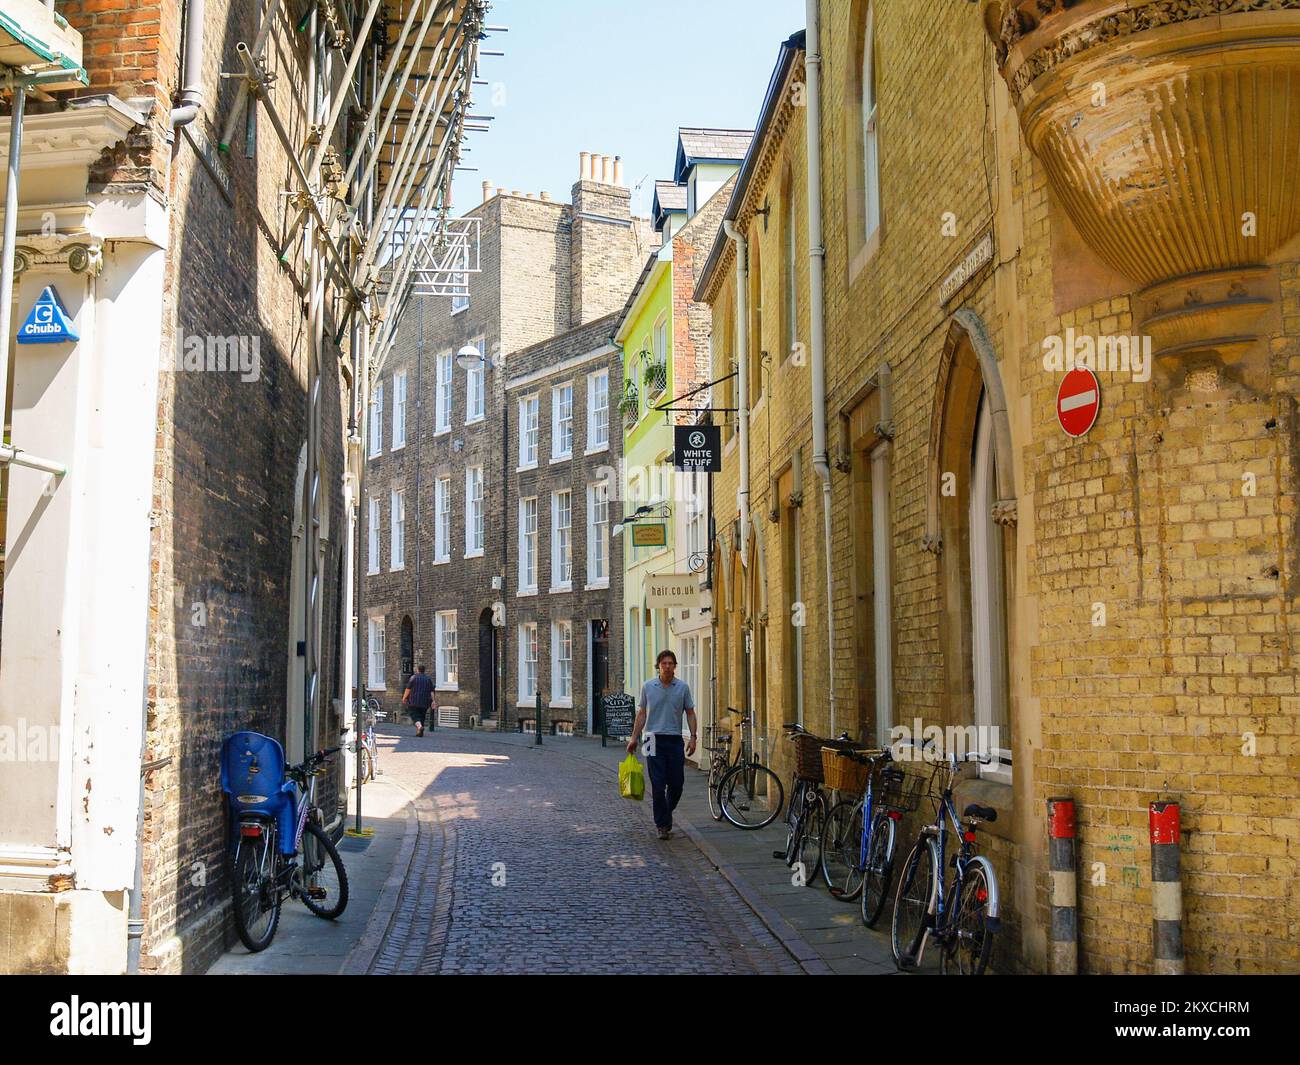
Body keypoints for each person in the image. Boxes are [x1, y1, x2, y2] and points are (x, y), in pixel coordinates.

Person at [627, 649, 696, 840]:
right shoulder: (648, 686)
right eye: (664, 663)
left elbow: (690, 712)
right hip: (651, 739)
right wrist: (634, 737)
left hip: (674, 739)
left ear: (675, 666)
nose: (667, 666)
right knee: (657, 785)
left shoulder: (682, 688)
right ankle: (662, 825)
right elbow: (642, 713)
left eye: (670, 663)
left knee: (677, 784)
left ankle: (666, 812)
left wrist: (693, 736)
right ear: (658, 665)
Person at [402, 663, 436, 737]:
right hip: (425, 701)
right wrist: (433, 701)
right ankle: (419, 732)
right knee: (422, 716)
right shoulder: (428, 679)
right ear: (424, 671)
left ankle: (420, 727)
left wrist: (404, 698)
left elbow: (408, 689)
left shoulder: (413, 678)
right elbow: (431, 691)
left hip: (414, 701)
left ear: (417, 670)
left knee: (414, 715)